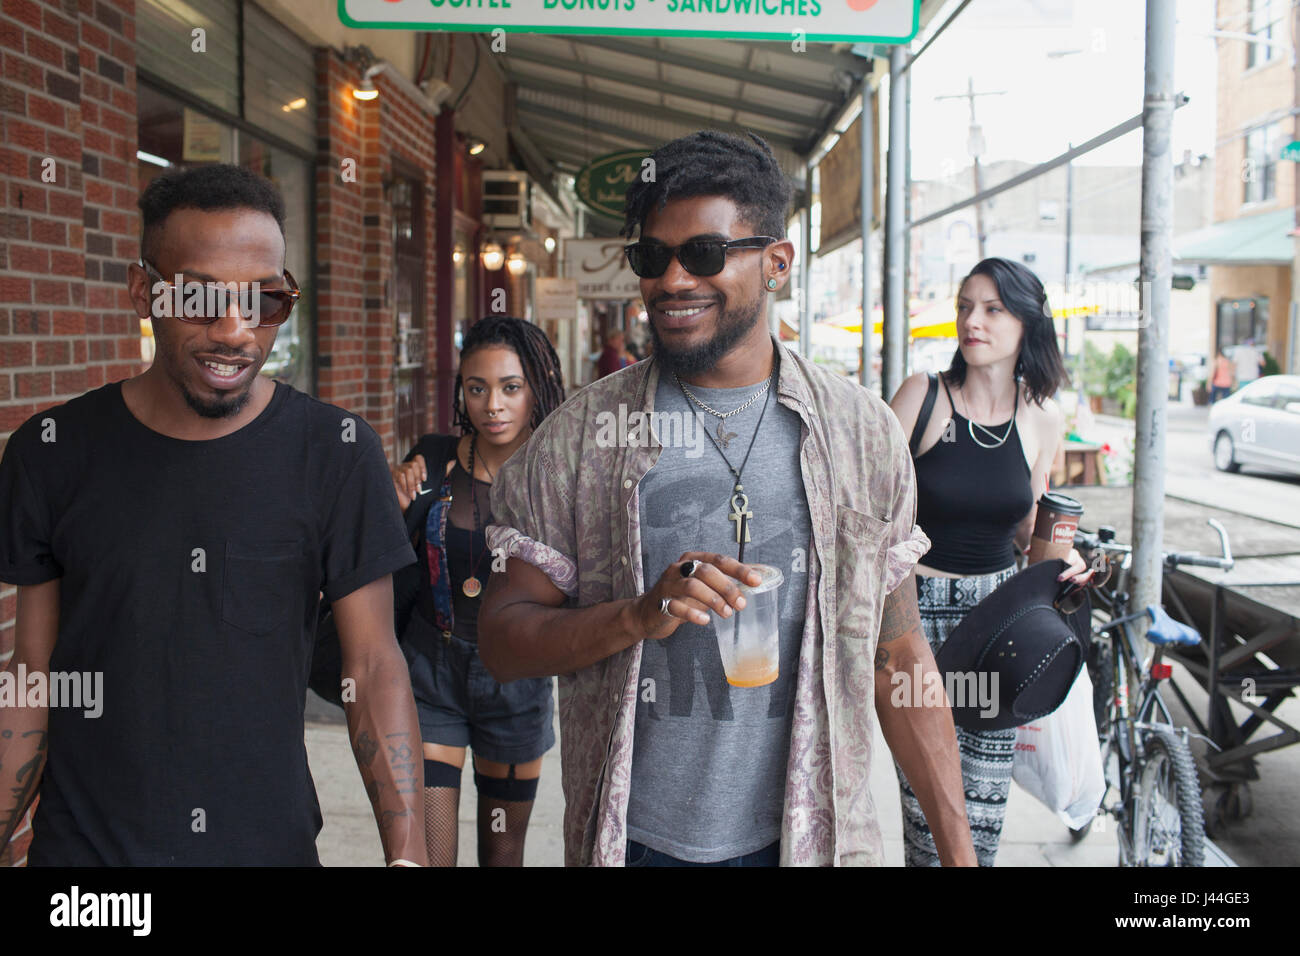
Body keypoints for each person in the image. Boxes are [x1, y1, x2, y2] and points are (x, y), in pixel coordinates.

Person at [477, 130, 976, 867]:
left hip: (811, 841)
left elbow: (897, 655)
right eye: (653, 258)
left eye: (705, 254)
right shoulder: (583, 438)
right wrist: (636, 616)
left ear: (777, 262)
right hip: (639, 843)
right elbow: (501, 641)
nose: (673, 279)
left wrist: (960, 855)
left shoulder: (860, 435)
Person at [0, 165, 427, 866]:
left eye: (265, 301)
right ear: (144, 291)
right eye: (200, 297)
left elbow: (374, 666)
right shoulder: (51, 453)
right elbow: (33, 673)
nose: (236, 331)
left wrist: (406, 855)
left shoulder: (334, 453)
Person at [888, 257, 1089, 867]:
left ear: (1027, 323)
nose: (973, 321)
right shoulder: (922, 397)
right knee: (930, 818)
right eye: (965, 306)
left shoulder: (1042, 418)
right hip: (913, 628)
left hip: (998, 623)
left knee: (984, 816)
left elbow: (1032, 529)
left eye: (993, 308)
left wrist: (1070, 562)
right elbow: (871, 516)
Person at [388, 316, 566, 866]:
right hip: (431, 674)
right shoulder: (435, 459)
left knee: (502, 856)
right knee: (429, 856)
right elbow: (389, 557)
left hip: (516, 680)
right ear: (461, 391)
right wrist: (393, 502)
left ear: (535, 385)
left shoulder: (558, 473)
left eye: (511, 387)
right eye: (477, 387)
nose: (493, 404)